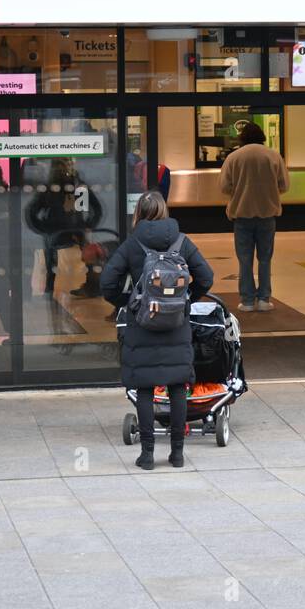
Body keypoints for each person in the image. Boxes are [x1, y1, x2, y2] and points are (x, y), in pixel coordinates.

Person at [101, 191, 213, 470]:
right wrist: (183, 301)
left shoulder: (132, 243)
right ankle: (177, 454)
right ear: (164, 210)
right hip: (176, 324)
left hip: (143, 324)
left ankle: (148, 455)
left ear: (138, 212)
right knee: (177, 386)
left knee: (145, 388)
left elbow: (107, 282)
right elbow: (207, 277)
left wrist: (129, 303)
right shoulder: (181, 241)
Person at [219, 122, 288, 312]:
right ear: (262, 136)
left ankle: (247, 301)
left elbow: (224, 187)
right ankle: (264, 299)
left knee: (245, 259)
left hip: (242, 216)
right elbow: (284, 185)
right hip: (267, 216)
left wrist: (240, 190)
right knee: (265, 259)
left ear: (242, 138)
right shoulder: (274, 156)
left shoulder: (234, 157)